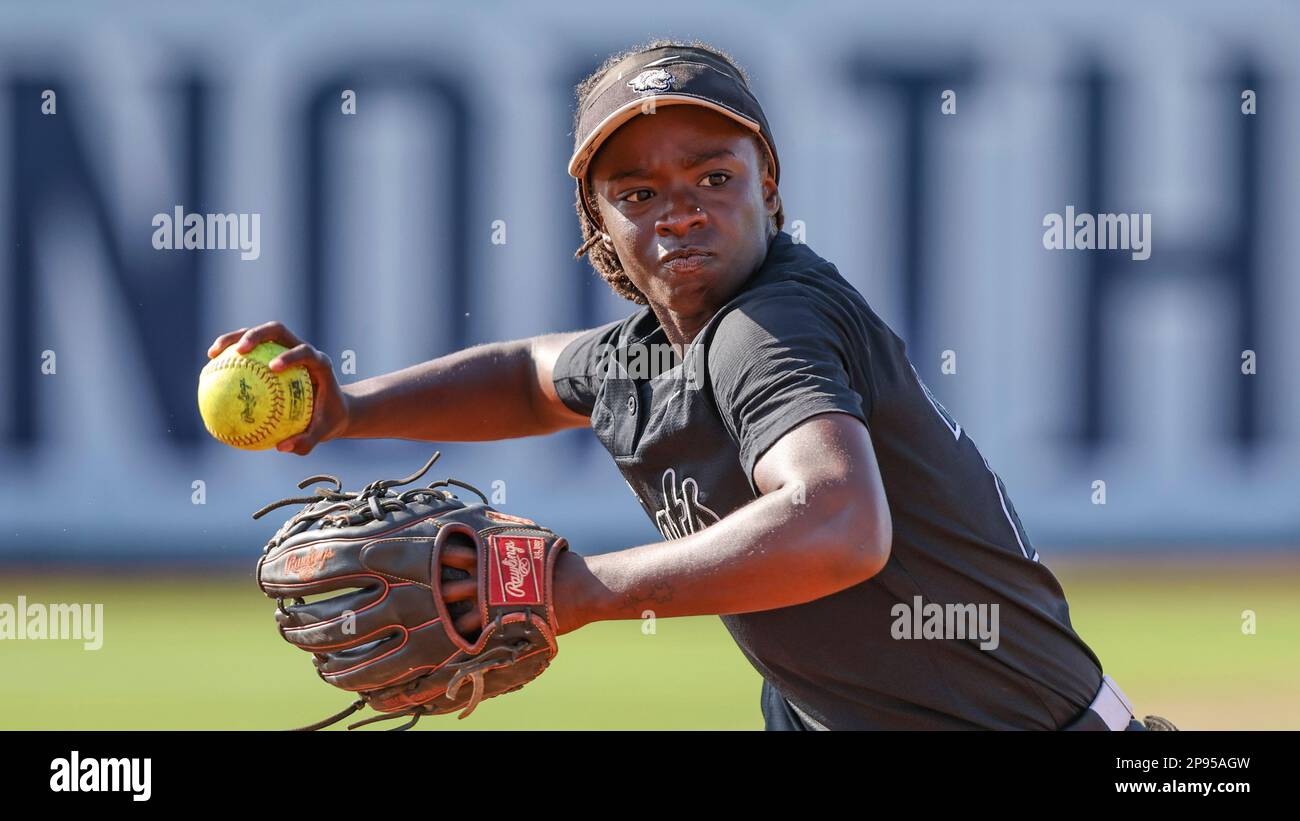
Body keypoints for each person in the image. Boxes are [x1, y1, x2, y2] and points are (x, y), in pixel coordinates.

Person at [208, 39, 1169, 731]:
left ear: (771, 187)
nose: (681, 212)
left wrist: (580, 589)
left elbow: (838, 524)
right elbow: (531, 376)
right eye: (637, 193)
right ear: (596, 227)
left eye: (714, 175)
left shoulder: (769, 327)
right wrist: (349, 409)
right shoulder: (649, 352)